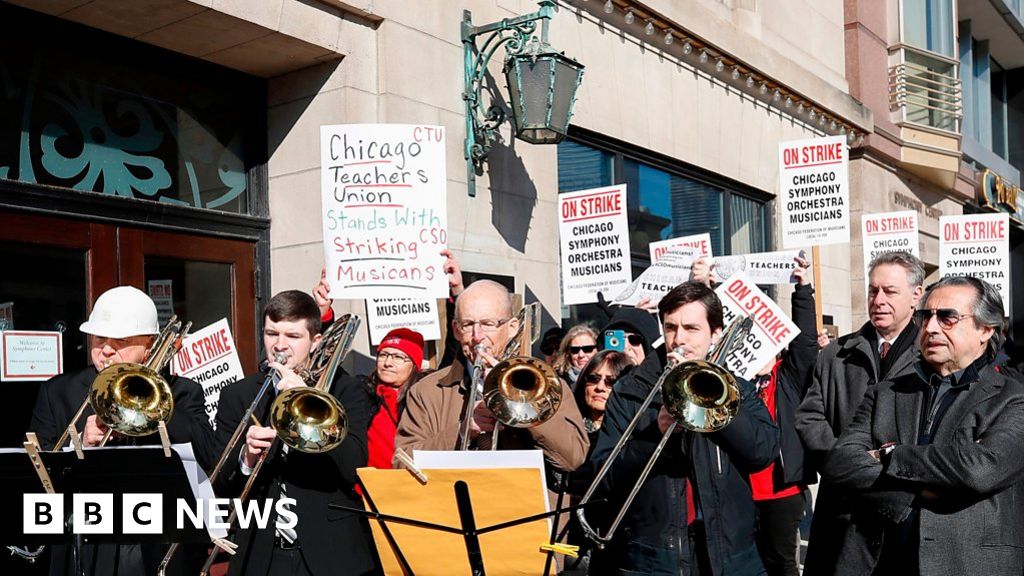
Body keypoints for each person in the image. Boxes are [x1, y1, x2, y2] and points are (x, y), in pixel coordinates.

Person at [822, 276, 1024, 576]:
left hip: (967, 565)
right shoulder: (885, 393)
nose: (930, 328)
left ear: (986, 329)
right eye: (925, 316)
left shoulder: (1013, 399)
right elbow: (841, 463)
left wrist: (891, 455)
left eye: (947, 317)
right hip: (877, 563)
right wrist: (920, 490)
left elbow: (981, 469)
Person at [586, 281, 779, 575]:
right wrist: (655, 432)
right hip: (652, 557)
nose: (679, 339)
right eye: (671, 327)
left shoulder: (736, 388)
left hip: (730, 554)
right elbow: (604, 474)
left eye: (691, 328)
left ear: (715, 334)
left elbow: (763, 451)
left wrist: (717, 405)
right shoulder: (631, 389)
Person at [28, 285, 215, 576]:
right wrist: (80, 446)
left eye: (121, 341)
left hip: (158, 542)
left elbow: (208, 456)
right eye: (100, 337)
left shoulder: (182, 393)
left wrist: (154, 399)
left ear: (150, 345)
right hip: (88, 543)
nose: (105, 350)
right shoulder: (59, 391)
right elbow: (36, 477)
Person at [214, 290, 375, 576]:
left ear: (315, 342)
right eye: (271, 333)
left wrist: (306, 400)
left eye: (293, 336)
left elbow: (354, 466)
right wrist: (246, 459)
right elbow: (220, 484)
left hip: (329, 555)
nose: (279, 345)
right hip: (259, 555)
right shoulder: (237, 395)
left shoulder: (344, 389)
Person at [794, 251, 925, 575]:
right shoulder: (837, 354)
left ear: (916, 295)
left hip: (906, 512)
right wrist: (850, 461)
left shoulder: (932, 354)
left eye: (890, 291)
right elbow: (810, 416)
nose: (878, 299)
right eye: (872, 290)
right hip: (842, 512)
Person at [364, 328, 424, 469]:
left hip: (410, 482)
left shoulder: (424, 398)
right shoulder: (362, 393)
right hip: (365, 485)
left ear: (414, 365)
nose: (388, 363)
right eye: (383, 355)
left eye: (398, 357)